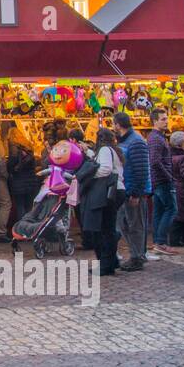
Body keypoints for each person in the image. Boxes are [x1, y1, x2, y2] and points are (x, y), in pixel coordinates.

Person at [76, 127, 123, 276]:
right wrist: (88, 152)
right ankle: (110, 261)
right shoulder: (110, 150)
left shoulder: (104, 150)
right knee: (106, 228)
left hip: (107, 192)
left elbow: (105, 169)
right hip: (116, 191)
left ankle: (106, 264)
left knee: (104, 230)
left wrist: (88, 174)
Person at [113, 112, 151, 270]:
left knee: (135, 224)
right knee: (124, 223)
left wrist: (136, 193)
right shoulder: (125, 141)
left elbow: (141, 169)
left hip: (134, 190)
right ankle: (136, 254)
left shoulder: (136, 142)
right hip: (126, 188)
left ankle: (137, 257)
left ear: (118, 124)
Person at [146, 108, 176, 257]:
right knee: (171, 209)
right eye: (163, 119)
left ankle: (158, 242)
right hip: (162, 180)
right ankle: (161, 242)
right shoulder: (156, 139)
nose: (166, 121)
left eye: (166, 118)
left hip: (158, 180)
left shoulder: (156, 137)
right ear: (155, 121)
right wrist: (169, 176)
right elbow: (155, 161)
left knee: (158, 211)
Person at [6, 126, 41, 225]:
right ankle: (30, 228)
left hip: (18, 182)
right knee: (29, 206)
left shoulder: (13, 148)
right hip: (31, 181)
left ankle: (22, 229)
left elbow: (11, 166)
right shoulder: (29, 146)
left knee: (20, 206)